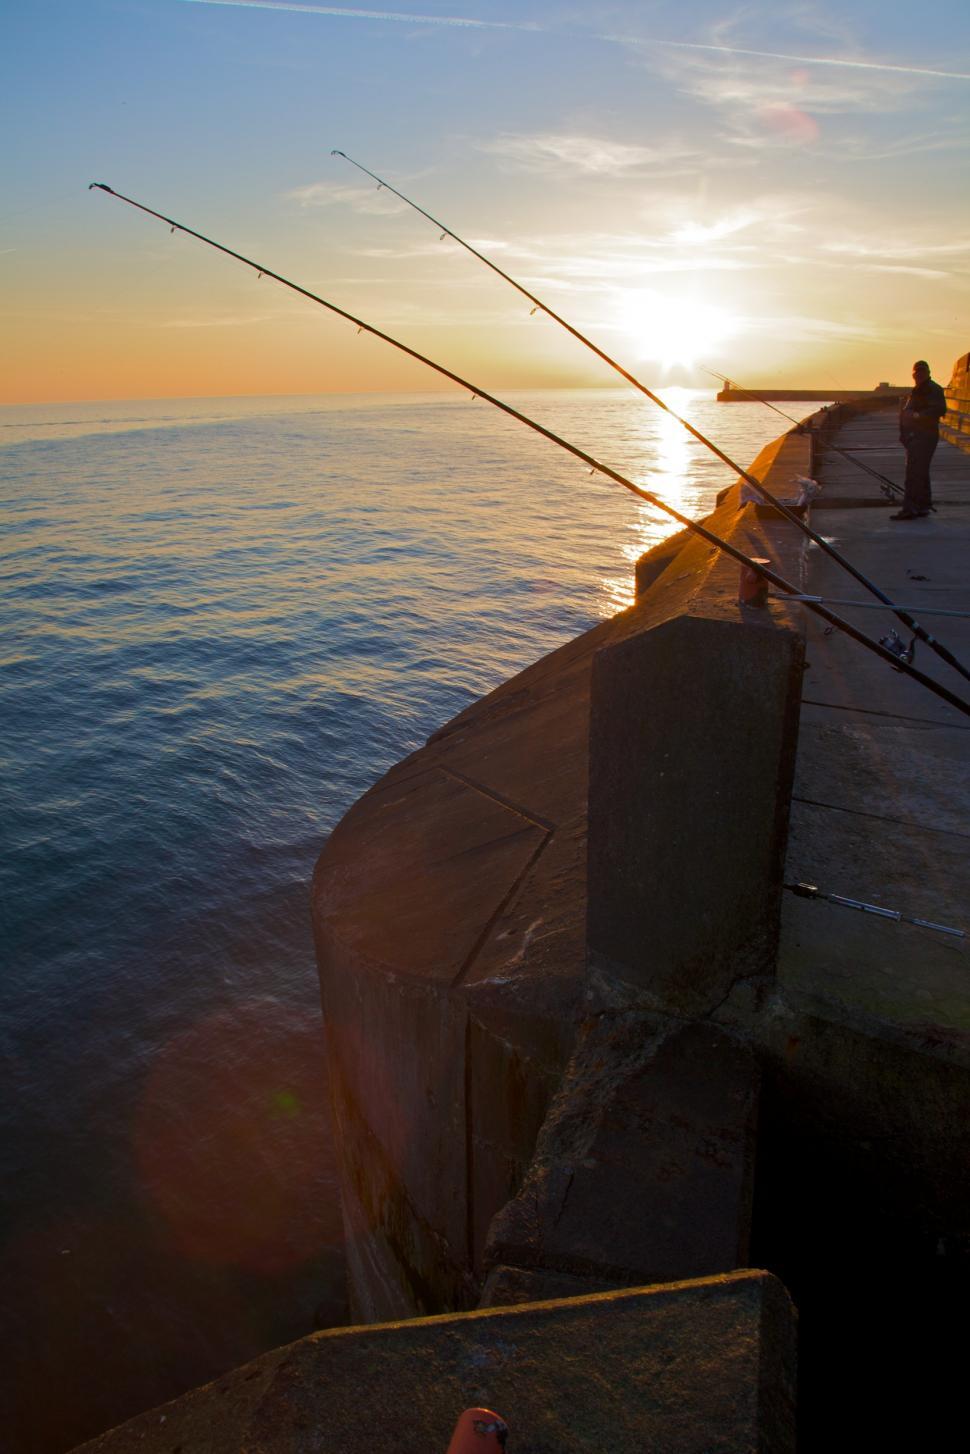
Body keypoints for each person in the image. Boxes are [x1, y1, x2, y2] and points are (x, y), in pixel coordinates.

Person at [893, 360, 947, 519]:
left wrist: (917, 416)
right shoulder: (918, 390)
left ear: (928, 373)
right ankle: (923, 505)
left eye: (922, 372)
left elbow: (940, 409)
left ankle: (910, 509)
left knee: (914, 473)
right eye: (917, 372)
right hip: (914, 436)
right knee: (920, 472)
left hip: (924, 436)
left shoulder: (933, 389)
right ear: (913, 375)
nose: (919, 375)